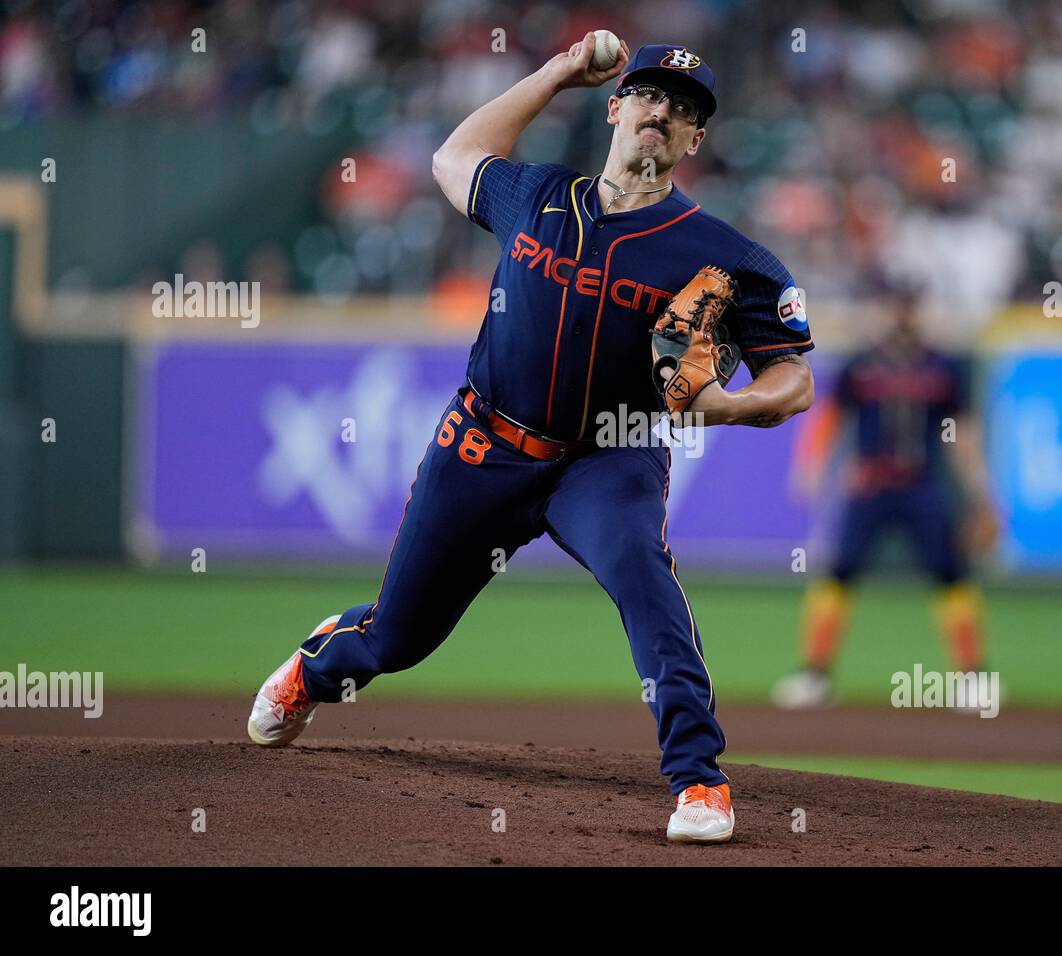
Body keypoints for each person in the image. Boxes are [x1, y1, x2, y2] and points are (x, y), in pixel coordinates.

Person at [246, 36, 815, 844]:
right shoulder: (538, 194)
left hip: (608, 454)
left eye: (685, 109)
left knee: (644, 579)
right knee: (399, 638)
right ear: (615, 107)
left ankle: (699, 779)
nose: (663, 111)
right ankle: (317, 668)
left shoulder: (724, 254)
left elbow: (795, 378)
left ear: (695, 140)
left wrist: (727, 407)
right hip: (484, 442)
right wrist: (555, 74)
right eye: (649, 94)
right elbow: (453, 157)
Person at [772, 287, 997, 709]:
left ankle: (973, 678)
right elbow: (831, 417)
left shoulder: (941, 367)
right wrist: (811, 466)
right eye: (895, 307)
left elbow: (962, 434)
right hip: (869, 485)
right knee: (838, 573)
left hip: (921, 484)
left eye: (908, 308)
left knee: (952, 574)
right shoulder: (861, 364)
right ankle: (815, 675)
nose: (901, 316)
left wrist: (979, 490)